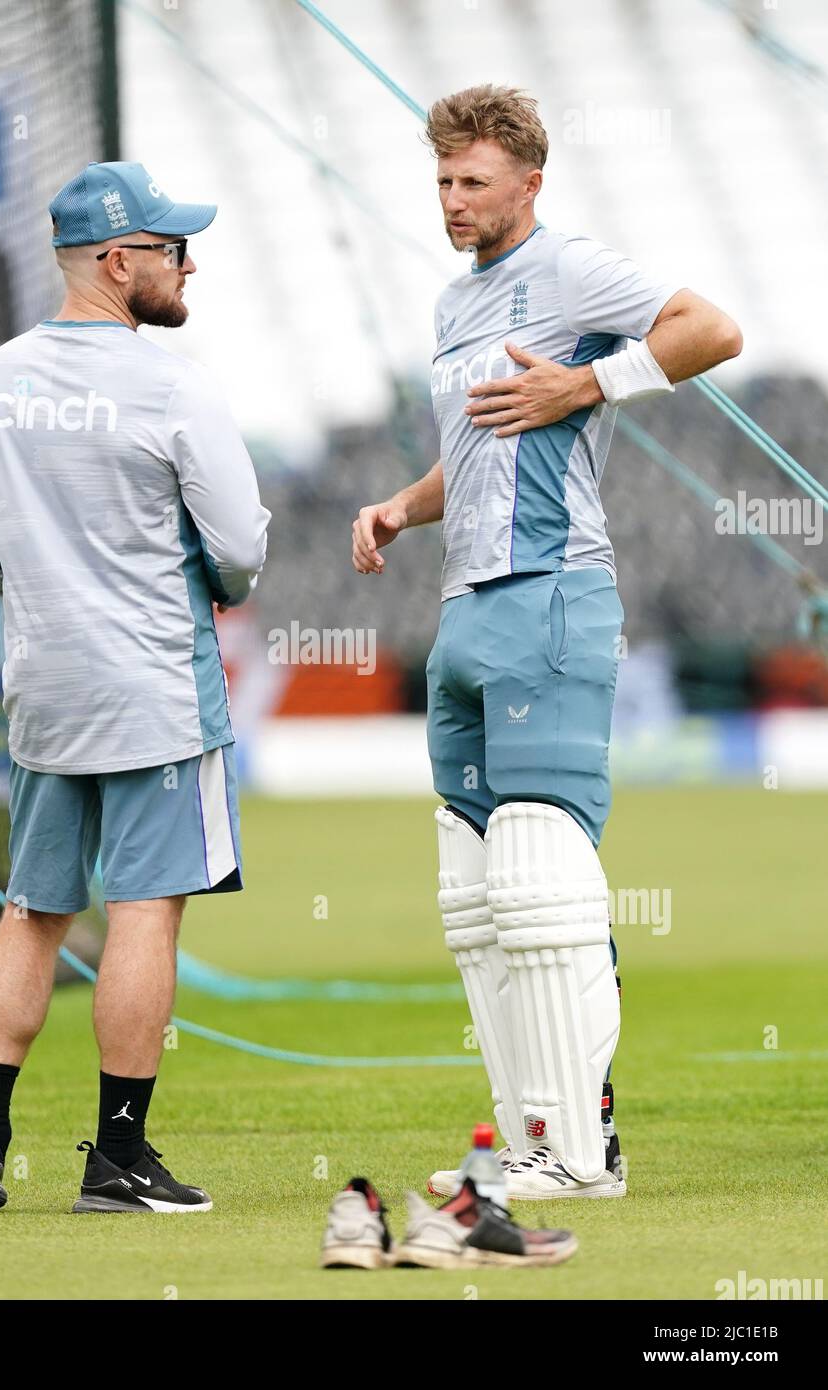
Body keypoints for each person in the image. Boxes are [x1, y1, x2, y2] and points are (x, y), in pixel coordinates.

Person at [352, 87, 741, 1200]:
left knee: (539, 882)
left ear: (528, 183)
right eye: (441, 181)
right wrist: (398, 506)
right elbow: (477, 445)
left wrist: (589, 379)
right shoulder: (450, 303)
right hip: (465, 603)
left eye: (473, 181)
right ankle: (533, 1140)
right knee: (477, 895)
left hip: (553, 593)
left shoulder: (569, 268)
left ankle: (581, 1153)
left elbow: (710, 327)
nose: (452, 200)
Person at [0, 161, 270, 1215]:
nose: (188, 264)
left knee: (32, 910)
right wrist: (198, 582)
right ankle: (119, 1157)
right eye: (172, 250)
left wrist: (44, 583)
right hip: (155, 691)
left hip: (43, 690)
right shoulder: (171, 383)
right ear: (118, 262)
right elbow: (241, 549)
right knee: (144, 913)